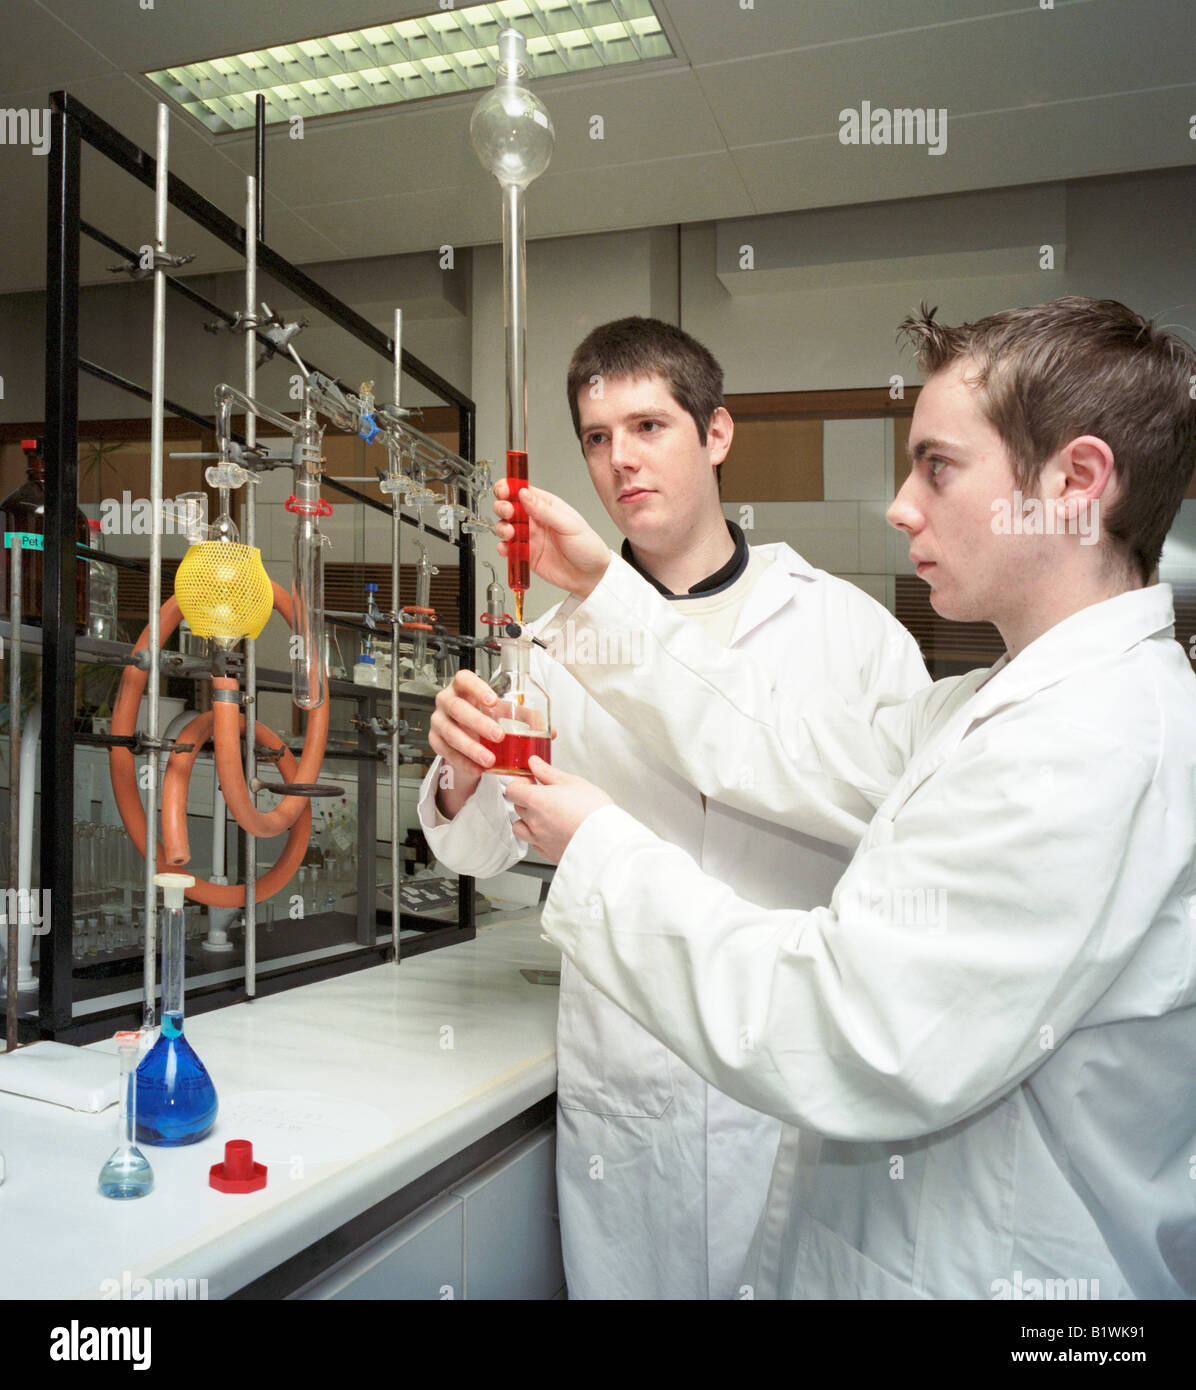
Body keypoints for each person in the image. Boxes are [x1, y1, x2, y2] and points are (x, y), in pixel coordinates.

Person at [492, 297, 1196, 1300]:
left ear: (1073, 483)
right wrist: (606, 592)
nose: (900, 505)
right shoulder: (1003, 701)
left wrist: (596, 849)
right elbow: (777, 741)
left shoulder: (1090, 740)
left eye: (937, 466)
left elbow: (850, 1029)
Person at [418, 316, 929, 1299]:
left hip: (790, 1073)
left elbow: (898, 832)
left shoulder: (844, 629)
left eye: (648, 425)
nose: (619, 460)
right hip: (630, 1071)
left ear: (716, 434)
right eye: (597, 437)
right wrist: (460, 773)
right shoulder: (549, 642)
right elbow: (480, 852)